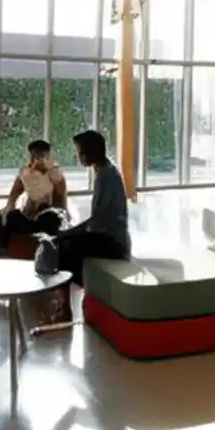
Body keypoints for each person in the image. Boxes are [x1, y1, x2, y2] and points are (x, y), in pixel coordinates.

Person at [37, 130, 131, 327]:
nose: (78, 156)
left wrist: (68, 233)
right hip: (105, 236)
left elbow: (97, 222)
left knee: (65, 245)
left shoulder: (108, 176)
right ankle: (68, 299)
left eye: (80, 152)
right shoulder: (103, 172)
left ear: (90, 152)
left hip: (113, 243)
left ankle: (65, 306)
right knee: (65, 243)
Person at [0, 139, 69, 255]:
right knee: (5, 217)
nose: (35, 160)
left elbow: (59, 197)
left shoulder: (56, 175)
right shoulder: (27, 174)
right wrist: (8, 209)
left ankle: (45, 254)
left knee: (49, 216)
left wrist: (46, 173)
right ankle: (2, 253)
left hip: (51, 218)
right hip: (30, 218)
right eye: (32, 157)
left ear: (47, 157)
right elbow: (14, 194)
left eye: (39, 156)